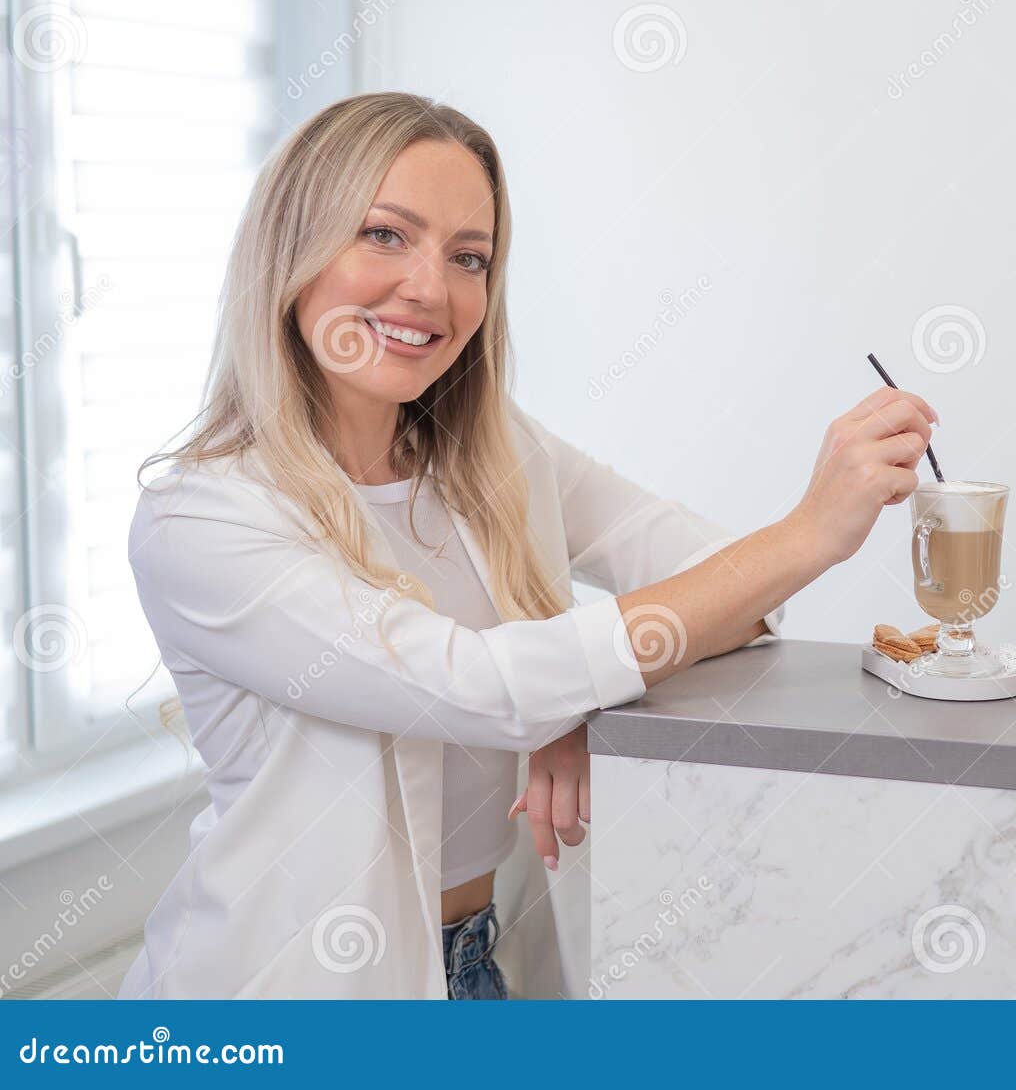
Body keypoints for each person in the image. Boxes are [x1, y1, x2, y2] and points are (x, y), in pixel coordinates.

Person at [119, 92, 937, 998]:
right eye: (386, 234)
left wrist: (576, 705)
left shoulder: (500, 452)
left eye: (469, 257)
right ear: (292, 249)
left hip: (482, 966)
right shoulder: (202, 518)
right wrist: (809, 532)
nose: (432, 288)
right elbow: (468, 686)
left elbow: (731, 586)